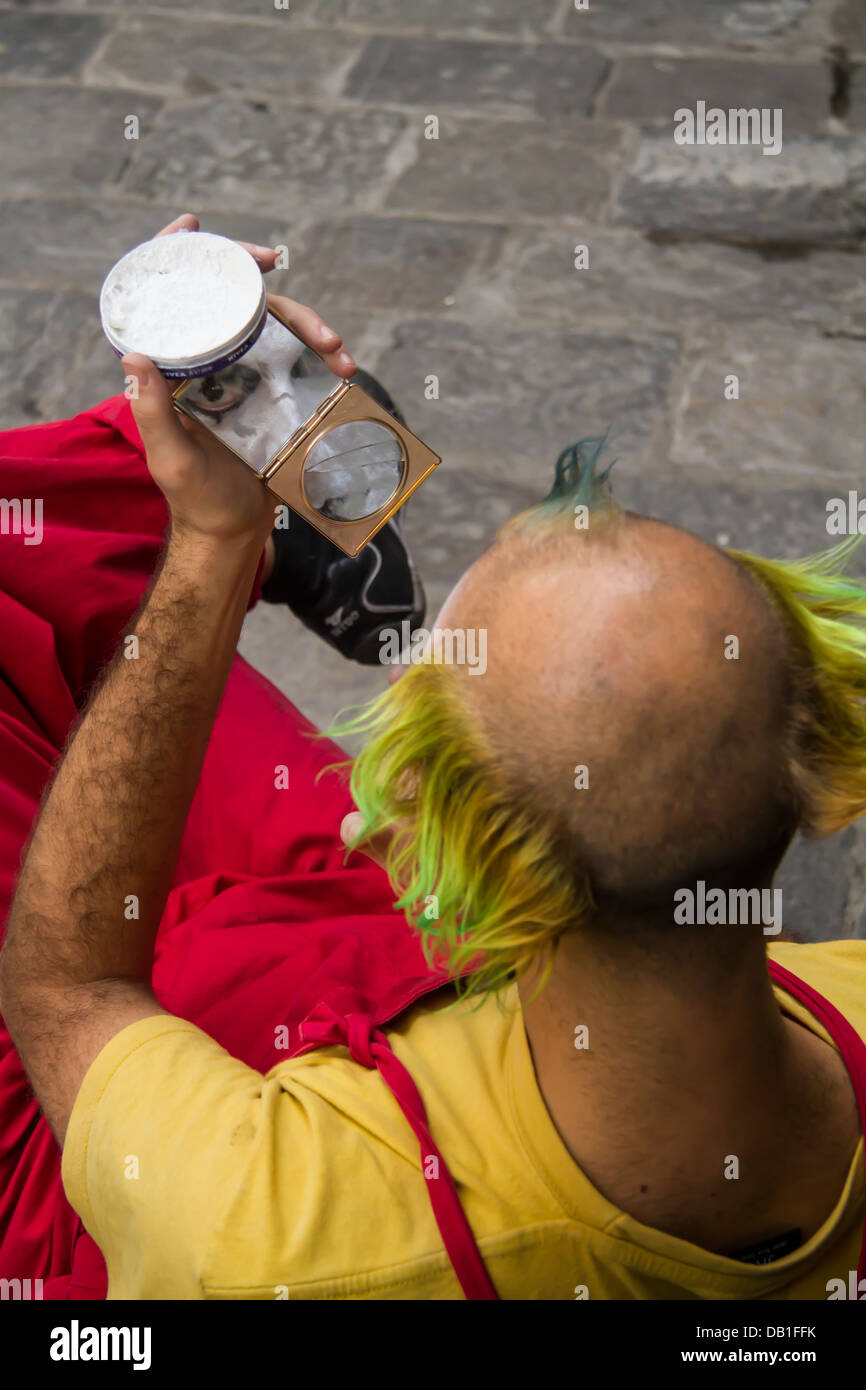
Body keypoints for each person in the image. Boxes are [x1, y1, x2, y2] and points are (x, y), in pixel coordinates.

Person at [0, 220, 864, 1301]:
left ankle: (206, 515)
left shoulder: (266, 1227)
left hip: (144, 1096)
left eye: (437, 675)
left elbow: (65, 991)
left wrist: (214, 545)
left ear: (411, 838)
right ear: (825, 758)